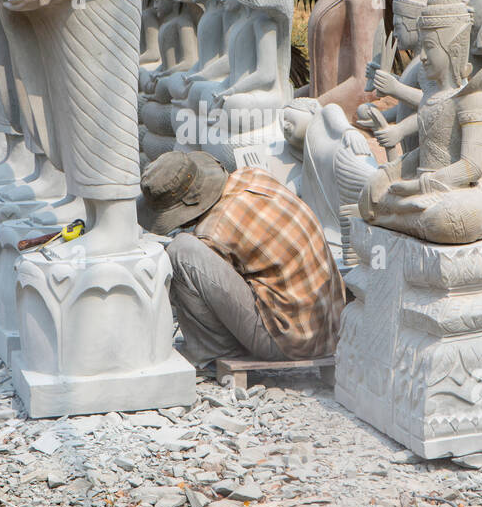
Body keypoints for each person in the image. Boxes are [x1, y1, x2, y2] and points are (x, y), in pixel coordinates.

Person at [139, 150, 345, 370]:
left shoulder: (213, 230)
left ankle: (214, 352)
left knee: (181, 250)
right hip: (335, 328)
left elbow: (203, 287)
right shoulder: (253, 175)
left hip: (289, 343)